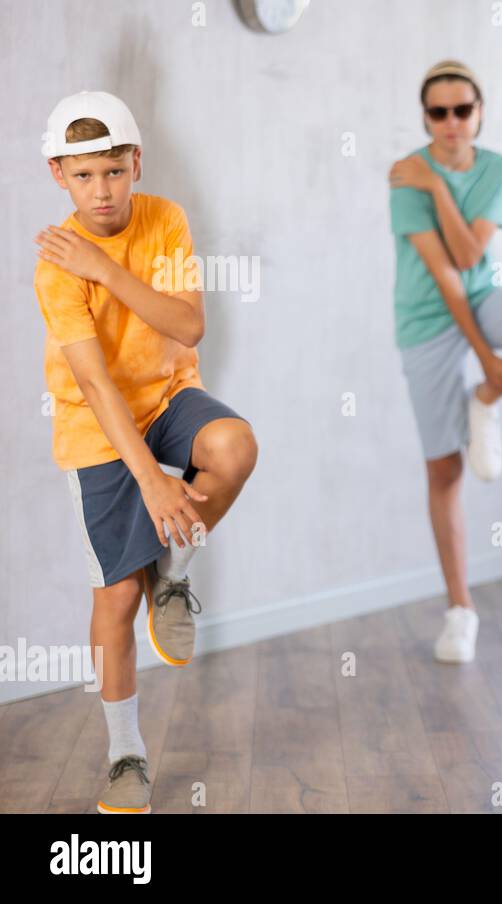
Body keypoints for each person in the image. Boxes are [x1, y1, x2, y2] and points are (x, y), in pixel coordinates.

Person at [34, 91, 258, 813]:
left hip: (166, 398)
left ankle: (176, 574)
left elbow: (187, 326)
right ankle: (124, 753)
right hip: (95, 425)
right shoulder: (55, 264)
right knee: (116, 595)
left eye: (112, 171)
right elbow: (94, 384)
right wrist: (153, 487)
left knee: (232, 443)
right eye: (83, 176)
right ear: (58, 176)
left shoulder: (164, 219)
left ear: (135, 163)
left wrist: (107, 272)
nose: (101, 192)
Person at [388, 61, 502, 663]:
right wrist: (484, 352)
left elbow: (470, 253)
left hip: (484, 295)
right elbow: (444, 275)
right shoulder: (402, 176)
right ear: (425, 117)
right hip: (427, 318)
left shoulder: (492, 169)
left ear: (479, 112)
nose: (450, 123)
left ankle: (482, 405)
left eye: (461, 110)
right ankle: (460, 610)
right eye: (437, 113)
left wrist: (437, 185)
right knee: (444, 472)